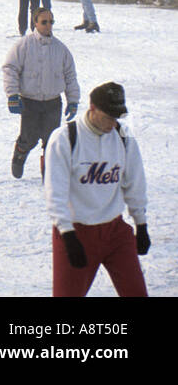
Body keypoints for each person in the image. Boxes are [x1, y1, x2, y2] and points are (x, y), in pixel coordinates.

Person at [45, 81, 148, 297]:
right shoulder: (65, 139)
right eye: (109, 115)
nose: (113, 122)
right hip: (75, 232)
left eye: (117, 116)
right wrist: (67, 234)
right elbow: (56, 192)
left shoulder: (123, 137)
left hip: (114, 231)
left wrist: (141, 223)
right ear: (92, 108)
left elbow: (134, 182)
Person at [3, 7, 79, 180]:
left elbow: (70, 76)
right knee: (29, 137)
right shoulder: (23, 45)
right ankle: (20, 154)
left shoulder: (61, 49)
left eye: (51, 22)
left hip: (52, 103)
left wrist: (73, 100)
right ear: (35, 23)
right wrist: (12, 95)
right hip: (30, 102)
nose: (48, 26)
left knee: (51, 140)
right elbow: (10, 68)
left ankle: (49, 171)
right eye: (43, 22)